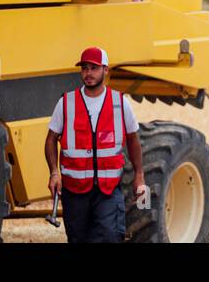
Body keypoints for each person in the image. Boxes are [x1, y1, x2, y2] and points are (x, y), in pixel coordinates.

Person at [44, 46, 146, 243]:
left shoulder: (119, 103)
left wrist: (139, 176)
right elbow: (50, 140)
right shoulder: (66, 102)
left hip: (108, 190)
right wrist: (54, 172)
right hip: (74, 192)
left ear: (105, 70)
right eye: (84, 68)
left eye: (94, 68)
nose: (88, 73)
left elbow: (133, 139)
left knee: (110, 236)